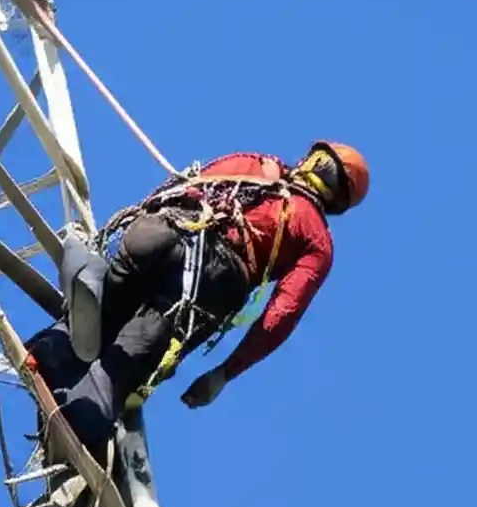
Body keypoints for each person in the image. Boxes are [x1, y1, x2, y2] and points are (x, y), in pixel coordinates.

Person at [25, 141, 371, 462]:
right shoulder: (316, 238)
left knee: (106, 294)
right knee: (124, 363)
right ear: (339, 200)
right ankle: (81, 428)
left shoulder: (254, 164)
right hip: (206, 284)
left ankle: (62, 334)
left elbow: (175, 189)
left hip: (159, 232)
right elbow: (281, 315)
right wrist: (225, 373)